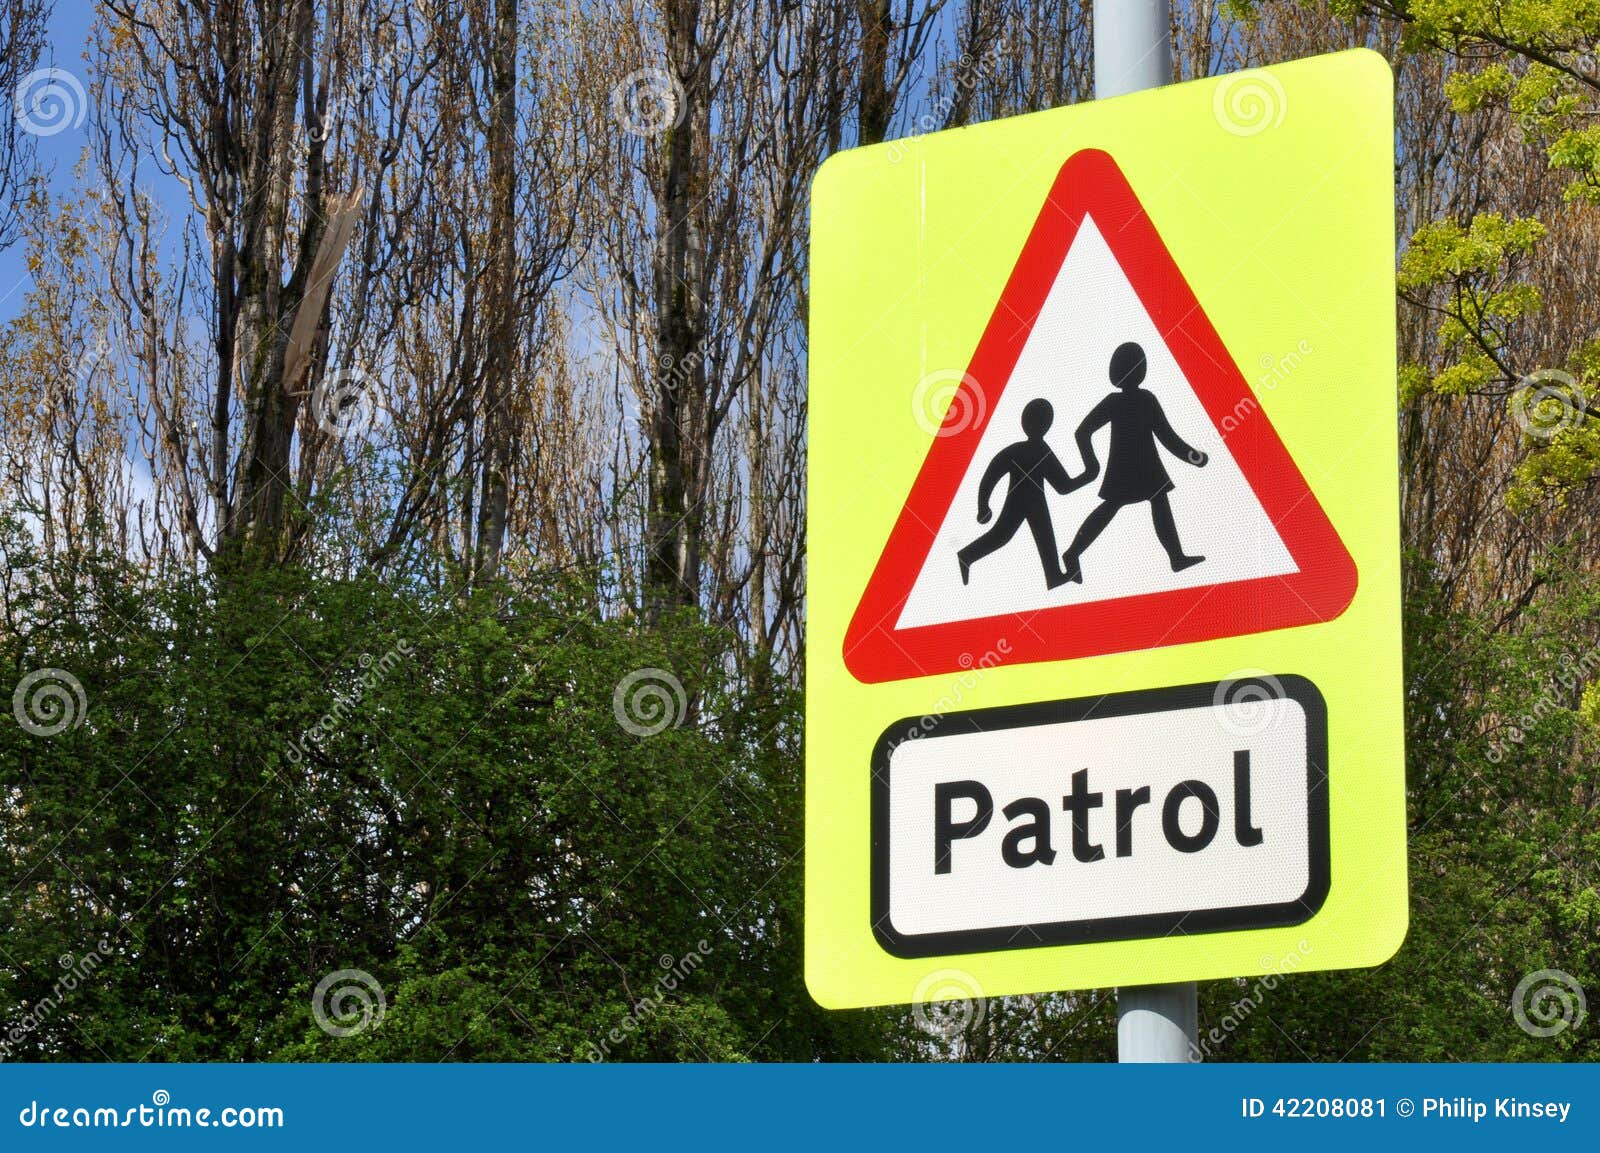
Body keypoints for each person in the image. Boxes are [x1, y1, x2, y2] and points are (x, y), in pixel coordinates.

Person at [1060, 341, 1208, 584]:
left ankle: (1175, 557)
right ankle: (1073, 553)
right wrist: (1194, 457)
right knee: (1127, 504)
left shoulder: (1124, 401)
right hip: (1135, 466)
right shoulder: (1139, 400)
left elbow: (1166, 436)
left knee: (1148, 501)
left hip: (1140, 466)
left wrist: (1091, 465)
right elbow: (1167, 436)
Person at [957, 398, 1089, 589]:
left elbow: (992, 474)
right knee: (1004, 536)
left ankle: (1053, 575)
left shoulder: (1023, 450)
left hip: (1031, 502)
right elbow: (1063, 486)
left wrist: (983, 504)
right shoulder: (1036, 450)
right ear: (1047, 425)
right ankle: (966, 556)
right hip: (1024, 502)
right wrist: (1088, 475)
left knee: (1028, 536)